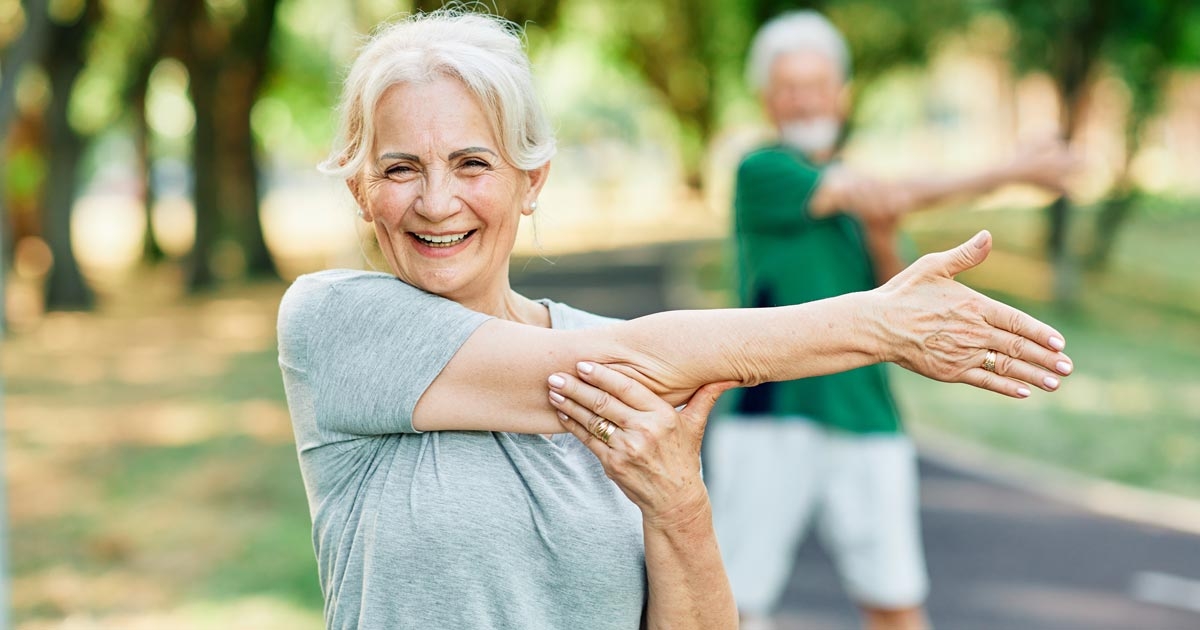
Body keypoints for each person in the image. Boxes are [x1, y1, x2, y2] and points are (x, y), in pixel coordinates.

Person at [275, 9, 1073, 629]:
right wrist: (883, 325)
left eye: (472, 162)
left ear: (532, 179)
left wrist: (680, 507)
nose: (436, 201)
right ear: (360, 190)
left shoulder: (623, 364)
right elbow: (635, 355)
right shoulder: (334, 325)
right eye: (400, 168)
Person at [707, 10, 1077, 630]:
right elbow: (875, 192)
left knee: (896, 603)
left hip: (866, 412)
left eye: (816, 85)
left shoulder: (867, 189)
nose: (804, 101)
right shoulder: (762, 170)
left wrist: (883, 230)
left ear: (841, 94)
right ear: (768, 100)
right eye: (789, 88)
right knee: (733, 605)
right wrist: (1011, 171)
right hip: (770, 412)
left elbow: (897, 284)